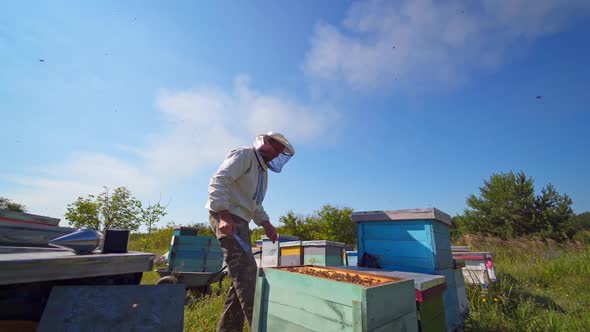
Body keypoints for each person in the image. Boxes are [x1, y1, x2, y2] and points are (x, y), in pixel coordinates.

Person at [205, 131, 295, 332]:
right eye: (274, 148)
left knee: (240, 283)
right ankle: (262, 327)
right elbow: (218, 180)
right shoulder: (244, 155)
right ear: (264, 142)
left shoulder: (261, 171)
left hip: (241, 221)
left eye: (278, 153)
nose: (274, 154)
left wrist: (266, 223)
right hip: (226, 217)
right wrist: (223, 214)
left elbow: (254, 203)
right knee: (248, 278)